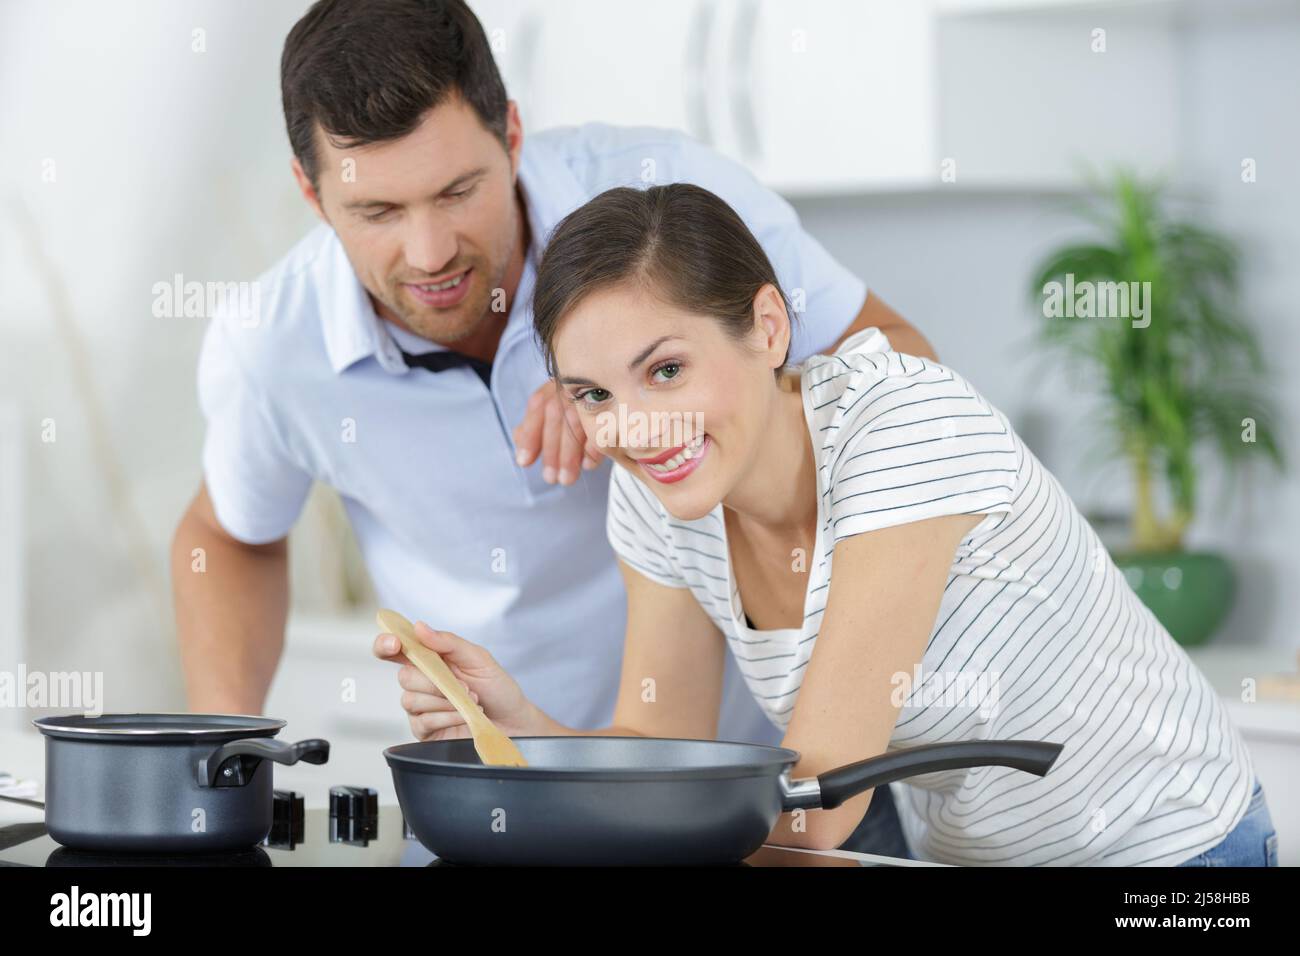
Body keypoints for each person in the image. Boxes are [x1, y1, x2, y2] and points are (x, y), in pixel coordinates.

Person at [171, 0, 929, 855]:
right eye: (378, 211)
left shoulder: (666, 203)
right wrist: (219, 766)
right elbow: (228, 534)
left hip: (790, 772)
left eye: (458, 191)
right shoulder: (270, 345)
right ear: (311, 192)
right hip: (506, 793)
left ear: (514, 135)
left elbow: (905, 368)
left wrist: (646, 403)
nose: (428, 254)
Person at [374, 183, 1275, 866]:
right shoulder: (658, 495)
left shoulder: (900, 430)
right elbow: (660, 753)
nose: (633, 428)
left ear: (768, 328)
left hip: (1173, 854)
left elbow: (817, 802)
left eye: (667, 370)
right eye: (594, 395)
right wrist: (518, 730)